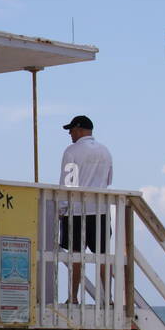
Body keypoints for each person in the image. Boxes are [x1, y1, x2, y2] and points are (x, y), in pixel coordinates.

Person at [58, 115, 113, 304]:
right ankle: (108, 297)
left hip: (76, 211)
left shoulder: (71, 151)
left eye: (71, 131)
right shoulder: (105, 151)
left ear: (79, 130)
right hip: (101, 211)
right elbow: (108, 180)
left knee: (76, 256)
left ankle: (73, 297)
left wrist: (61, 209)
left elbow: (67, 183)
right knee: (103, 256)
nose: (70, 135)